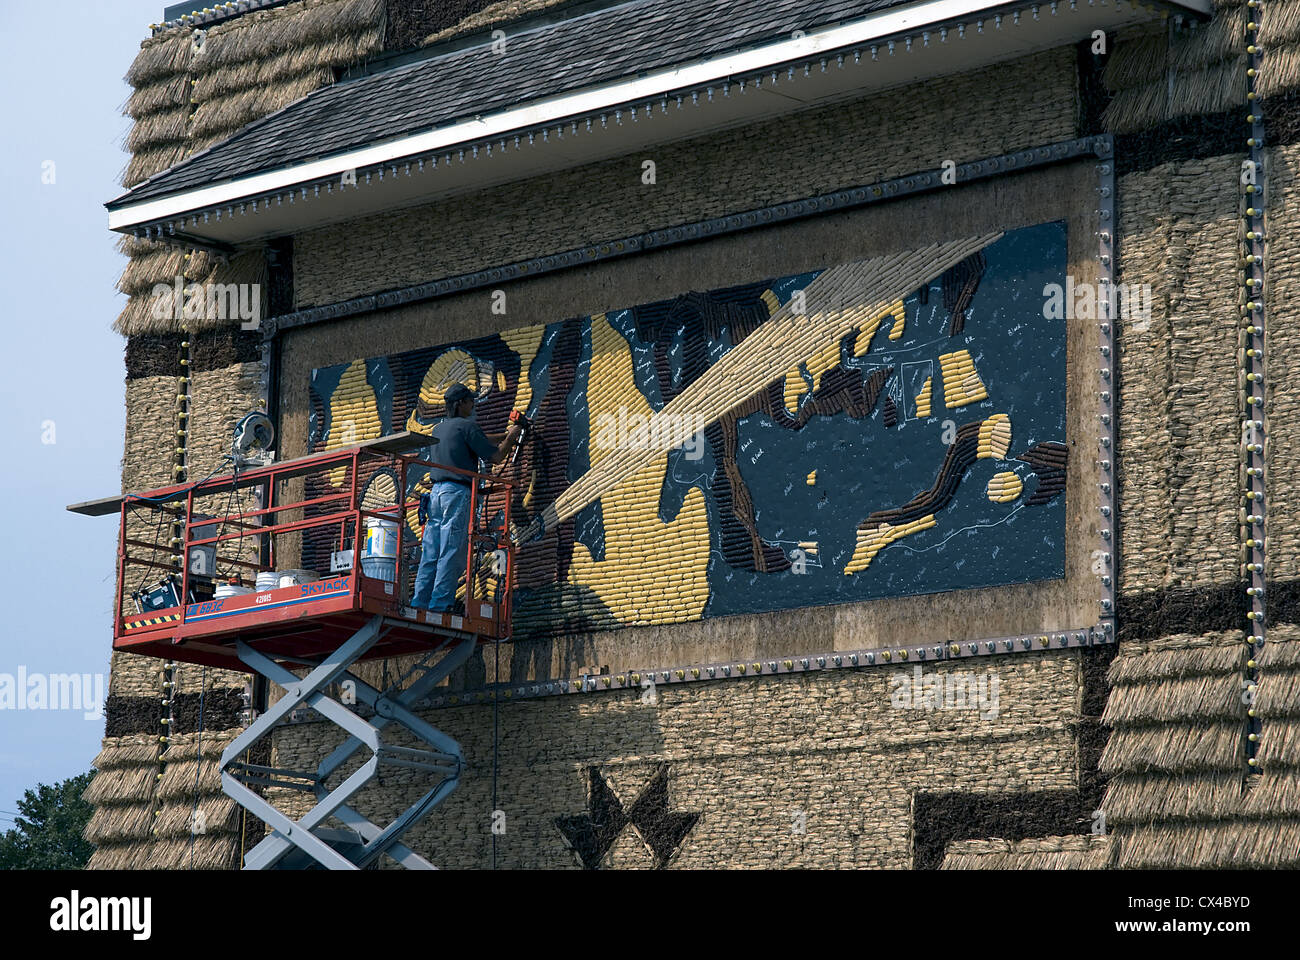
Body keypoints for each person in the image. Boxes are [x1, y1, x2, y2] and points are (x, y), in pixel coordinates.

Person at [411, 382, 524, 613]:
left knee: (431, 552)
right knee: (451, 550)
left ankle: (419, 603)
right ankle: (440, 605)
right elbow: (496, 457)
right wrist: (511, 438)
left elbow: (475, 439)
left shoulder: (440, 429)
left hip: (436, 495)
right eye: (470, 400)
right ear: (461, 403)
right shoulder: (467, 426)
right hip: (456, 494)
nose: (473, 404)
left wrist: (503, 435)